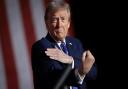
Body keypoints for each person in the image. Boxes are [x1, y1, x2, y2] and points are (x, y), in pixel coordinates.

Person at [31, 1, 97, 89]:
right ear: (47, 23)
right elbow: (57, 79)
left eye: (63, 19)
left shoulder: (76, 43)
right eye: (54, 19)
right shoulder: (41, 46)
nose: (59, 25)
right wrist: (81, 70)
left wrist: (71, 60)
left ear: (68, 23)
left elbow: (93, 73)